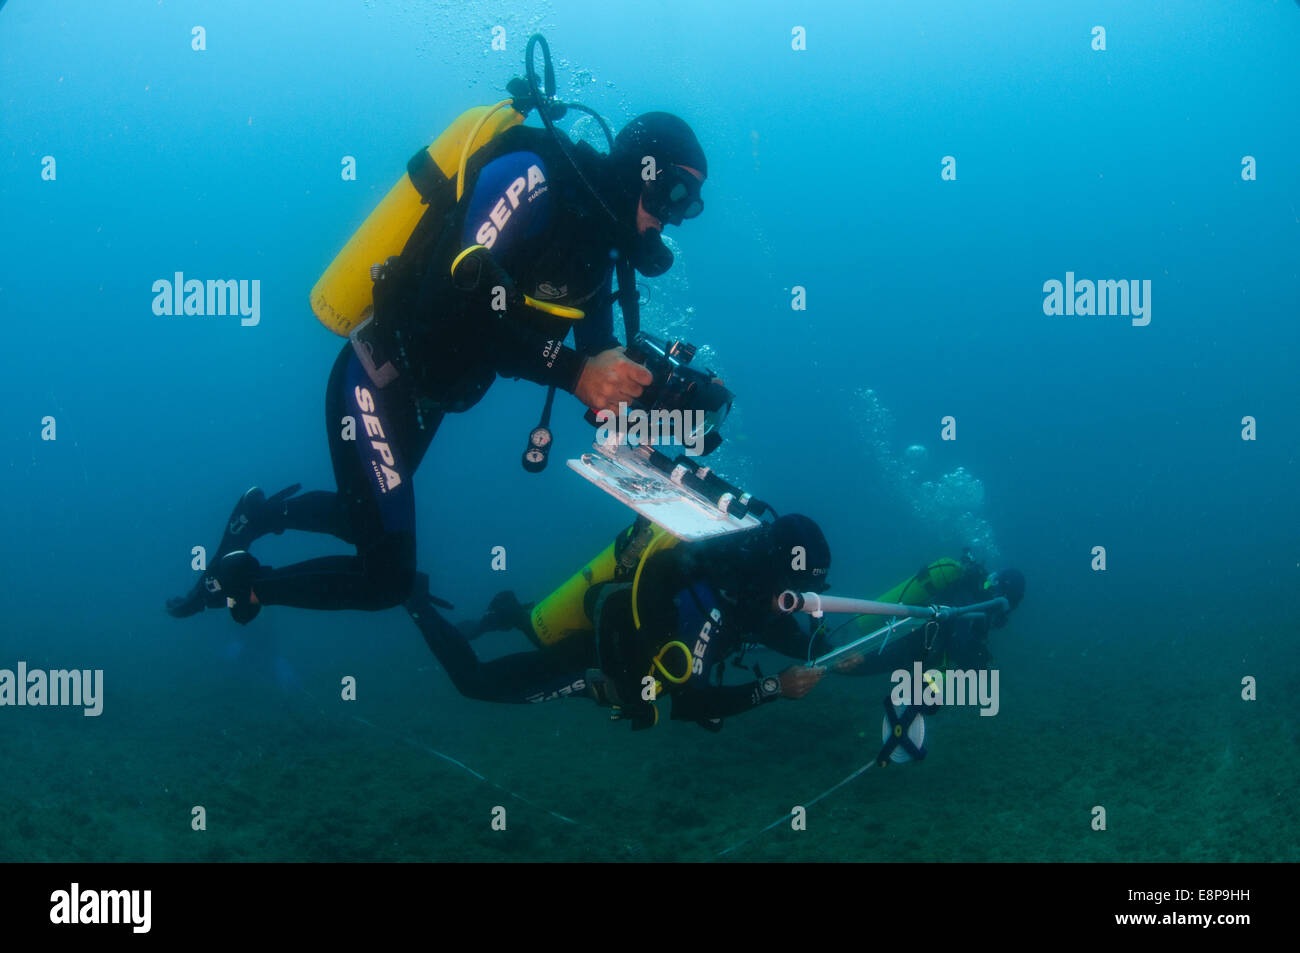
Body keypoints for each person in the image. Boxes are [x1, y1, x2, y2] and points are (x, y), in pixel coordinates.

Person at [166, 110, 709, 625]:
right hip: (376, 379)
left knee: (363, 520)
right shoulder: (534, 177)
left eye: (691, 206)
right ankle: (239, 585)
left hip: (431, 397)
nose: (673, 215)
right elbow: (451, 301)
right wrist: (571, 372)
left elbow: (597, 366)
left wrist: (663, 407)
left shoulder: (602, 250)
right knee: (387, 577)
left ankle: (258, 516)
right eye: (674, 193)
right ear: (638, 167)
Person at [407, 514, 834, 730]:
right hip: (600, 657)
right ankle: (413, 599)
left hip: (616, 632)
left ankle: (511, 613)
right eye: (791, 593)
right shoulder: (715, 598)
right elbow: (690, 705)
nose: (792, 605)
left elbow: (782, 633)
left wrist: (831, 653)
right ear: (768, 574)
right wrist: (774, 687)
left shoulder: (754, 598)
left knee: (540, 632)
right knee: (476, 684)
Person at [825, 556, 1025, 678]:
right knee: (848, 663)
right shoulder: (971, 598)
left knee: (848, 659)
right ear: (1004, 596)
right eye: (1008, 607)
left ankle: (823, 651)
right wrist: (981, 663)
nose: (1002, 616)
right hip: (911, 642)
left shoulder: (972, 594)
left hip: (914, 640)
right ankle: (819, 658)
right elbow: (960, 643)